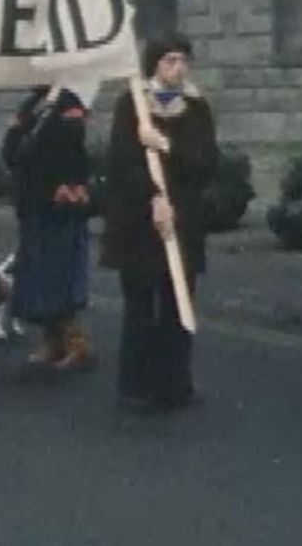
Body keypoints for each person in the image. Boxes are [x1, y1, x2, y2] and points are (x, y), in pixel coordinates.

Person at [101, 34, 219, 414]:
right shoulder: (131, 105)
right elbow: (122, 161)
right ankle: (135, 385)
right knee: (139, 305)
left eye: (183, 60)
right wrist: (152, 197)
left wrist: (165, 145)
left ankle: (175, 384)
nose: (178, 68)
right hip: (138, 223)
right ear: (155, 65)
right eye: (170, 60)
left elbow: (204, 163)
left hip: (182, 222)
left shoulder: (196, 108)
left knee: (176, 305)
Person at [2, 86, 95, 370]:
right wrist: (35, 109)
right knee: (37, 275)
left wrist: (50, 112)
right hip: (33, 202)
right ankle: (51, 339)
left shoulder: (69, 103)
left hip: (59, 206)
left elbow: (69, 146)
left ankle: (76, 342)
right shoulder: (33, 104)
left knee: (59, 275)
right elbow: (13, 151)